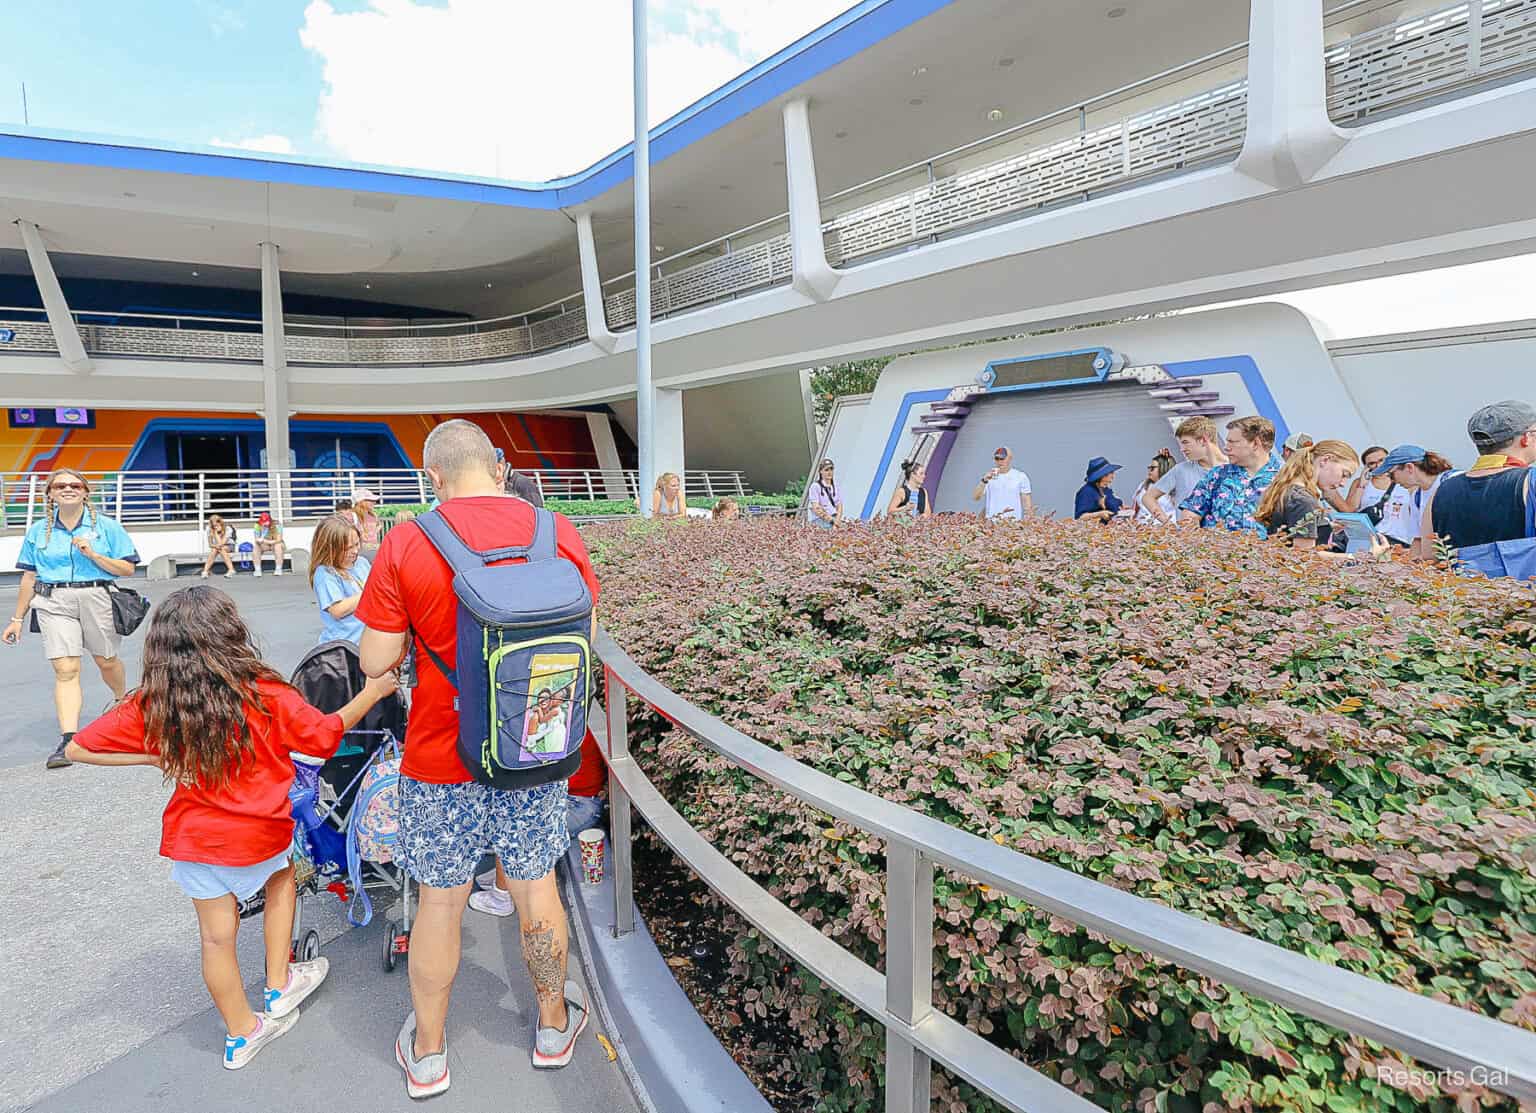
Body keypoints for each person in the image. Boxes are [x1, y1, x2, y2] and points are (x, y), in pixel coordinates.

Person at [356, 419, 598, 1096]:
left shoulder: (408, 539)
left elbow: (376, 659)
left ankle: (428, 1052)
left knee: (441, 901)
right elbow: (588, 633)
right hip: (534, 750)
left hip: (441, 759)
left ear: (432, 476)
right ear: (498, 465)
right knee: (534, 887)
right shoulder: (558, 533)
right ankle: (553, 1023)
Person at [65, 586, 399, 1069]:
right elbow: (324, 736)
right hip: (260, 831)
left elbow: (79, 747)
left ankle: (242, 1034)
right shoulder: (265, 693)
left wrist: (158, 754)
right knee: (283, 880)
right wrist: (372, 691)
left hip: (194, 839)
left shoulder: (155, 704)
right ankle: (280, 982)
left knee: (215, 939)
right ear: (231, 634)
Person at [4, 468, 140, 769]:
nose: (68, 488)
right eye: (60, 485)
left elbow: (128, 569)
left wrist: (93, 555)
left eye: (75, 484)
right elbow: (29, 576)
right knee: (66, 668)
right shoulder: (38, 531)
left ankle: (122, 699)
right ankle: (69, 740)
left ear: (85, 491)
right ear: (50, 493)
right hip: (54, 600)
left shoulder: (106, 527)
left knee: (106, 660)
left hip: (97, 595)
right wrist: (16, 618)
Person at [471, 728, 607, 919]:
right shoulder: (573, 716)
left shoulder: (556, 725)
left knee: (514, 817)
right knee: (511, 811)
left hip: (578, 803)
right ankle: (506, 879)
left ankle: (502, 895)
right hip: (578, 799)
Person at [1423, 400, 1536, 552]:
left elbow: (1429, 555)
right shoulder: (1531, 482)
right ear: (1526, 438)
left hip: (1459, 575)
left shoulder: (1441, 490)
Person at [1254, 440, 1386, 561]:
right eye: (1344, 475)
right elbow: (1303, 556)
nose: (1343, 484)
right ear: (1325, 460)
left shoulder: (1291, 490)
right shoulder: (1303, 500)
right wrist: (1359, 557)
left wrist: (1325, 527)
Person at [1178, 416, 1281, 534]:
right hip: (1216, 550)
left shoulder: (1285, 478)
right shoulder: (1218, 475)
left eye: (1232, 442)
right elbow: (1190, 514)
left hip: (1264, 551)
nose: (1226, 448)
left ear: (1255, 444)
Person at [1371, 445, 1454, 557]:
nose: (1392, 481)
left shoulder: (1452, 481)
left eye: (1391, 475)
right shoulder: (1416, 497)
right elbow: (1417, 540)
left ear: (1409, 467)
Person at [1144, 416, 1228, 526]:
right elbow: (1148, 497)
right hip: (1190, 539)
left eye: (1185, 442)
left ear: (1203, 440)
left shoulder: (1235, 468)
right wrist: (1168, 524)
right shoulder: (1181, 470)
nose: (1182, 449)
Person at [310, 515, 372, 646]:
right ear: (330, 548)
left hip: (368, 643)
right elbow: (337, 610)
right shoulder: (325, 573)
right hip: (344, 648)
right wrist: (371, 592)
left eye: (357, 544)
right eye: (348, 548)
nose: (355, 551)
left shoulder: (362, 563)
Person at [972, 446, 1033, 520]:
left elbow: (1027, 504)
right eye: (997, 459)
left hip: (1012, 524)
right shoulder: (989, 477)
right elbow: (976, 497)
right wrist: (984, 481)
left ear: (1009, 458)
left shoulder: (1020, 476)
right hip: (991, 525)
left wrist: (1028, 522)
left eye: (1002, 458)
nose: (999, 462)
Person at [1337, 445, 1394, 517]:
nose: (1378, 465)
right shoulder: (1358, 482)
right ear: (1366, 467)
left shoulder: (1403, 481)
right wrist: (1361, 485)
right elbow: (1349, 511)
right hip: (1368, 528)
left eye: (1381, 460)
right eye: (1372, 463)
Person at [1130, 451, 1176, 525]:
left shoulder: (1174, 488)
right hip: (1142, 527)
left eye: (1152, 468)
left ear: (1164, 468)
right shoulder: (1144, 485)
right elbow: (1135, 507)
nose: (1149, 471)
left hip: (1165, 528)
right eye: (1149, 468)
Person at [1074, 457, 1124, 523]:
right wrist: (1099, 514)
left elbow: (1112, 503)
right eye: (1111, 473)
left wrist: (1122, 509)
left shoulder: (1105, 489)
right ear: (1102, 476)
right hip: (1094, 531)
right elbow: (1079, 518)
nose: (1113, 476)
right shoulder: (1086, 492)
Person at [344, 488, 384, 557]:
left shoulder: (373, 515)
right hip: (359, 554)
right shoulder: (352, 516)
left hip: (373, 552)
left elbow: (373, 534)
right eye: (370, 500)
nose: (374, 502)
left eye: (374, 500)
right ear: (361, 502)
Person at [807, 459, 843, 528]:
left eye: (831, 469)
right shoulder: (815, 486)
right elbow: (816, 508)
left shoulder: (835, 486)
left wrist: (837, 521)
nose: (829, 472)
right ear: (821, 471)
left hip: (834, 519)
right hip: (820, 520)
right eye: (826, 470)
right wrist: (832, 521)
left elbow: (839, 505)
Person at [201, 514, 237, 579]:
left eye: (217, 525)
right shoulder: (209, 529)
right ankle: (205, 571)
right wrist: (215, 545)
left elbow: (222, 543)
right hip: (217, 546)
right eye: (213, 525)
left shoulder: (228, 528)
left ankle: (231, 570)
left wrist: (216, 533)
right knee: (215, 549)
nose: (215, 527)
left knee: (221, 549)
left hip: (229, 545)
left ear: (220, 522)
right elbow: (210, 544)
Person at [251, 512, 285, 577]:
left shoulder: (277, 524)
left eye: (266, 522)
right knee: (256, 547)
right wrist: (259, 540)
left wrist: (266, 541)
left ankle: (278, 569)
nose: (264, 524)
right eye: (263, 522)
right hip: (264, 544)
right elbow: (256, 538)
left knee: (278, 546)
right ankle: (257, 569)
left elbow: (279, 539)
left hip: (275, 543)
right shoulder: (257, 525)